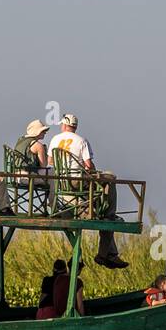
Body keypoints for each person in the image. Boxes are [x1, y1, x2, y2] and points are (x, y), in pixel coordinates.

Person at [47, 113, 128, 269]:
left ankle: (108, 250)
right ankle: (109, 212)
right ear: (75, 127)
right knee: (110, 178)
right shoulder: (81, 140)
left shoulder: (54, 139)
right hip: (78, 182)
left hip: (61, 182)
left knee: (102, 213)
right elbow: (88, 165)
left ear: (64, 125)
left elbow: (50, 161)